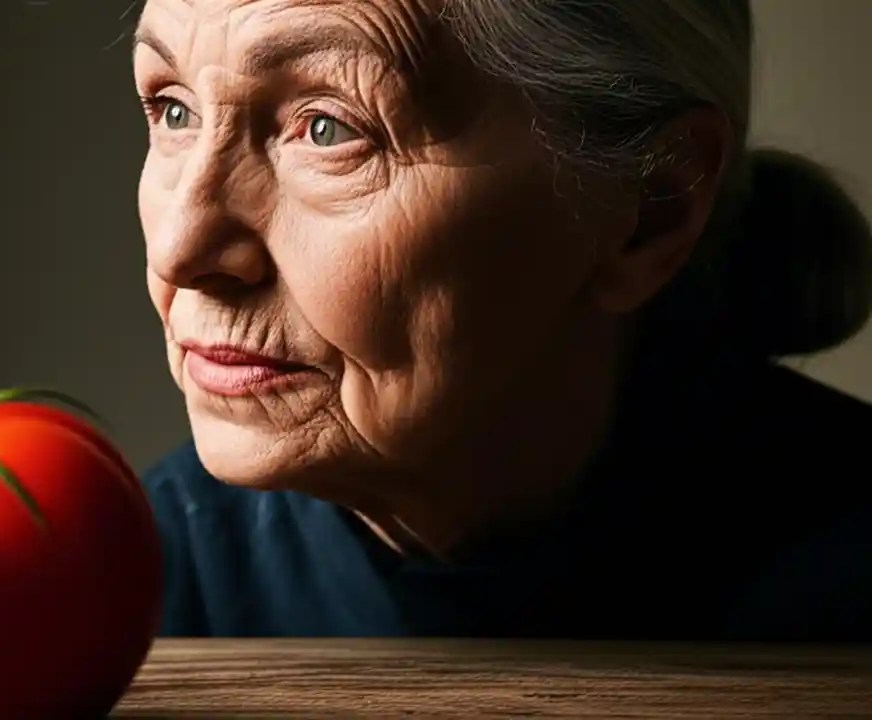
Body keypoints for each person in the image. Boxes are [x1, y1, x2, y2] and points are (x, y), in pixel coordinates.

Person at [130, 0, 872, 641]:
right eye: (173, 111)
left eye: (328, 128)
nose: (182, 248)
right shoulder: (116, 580)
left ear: (652, 208)